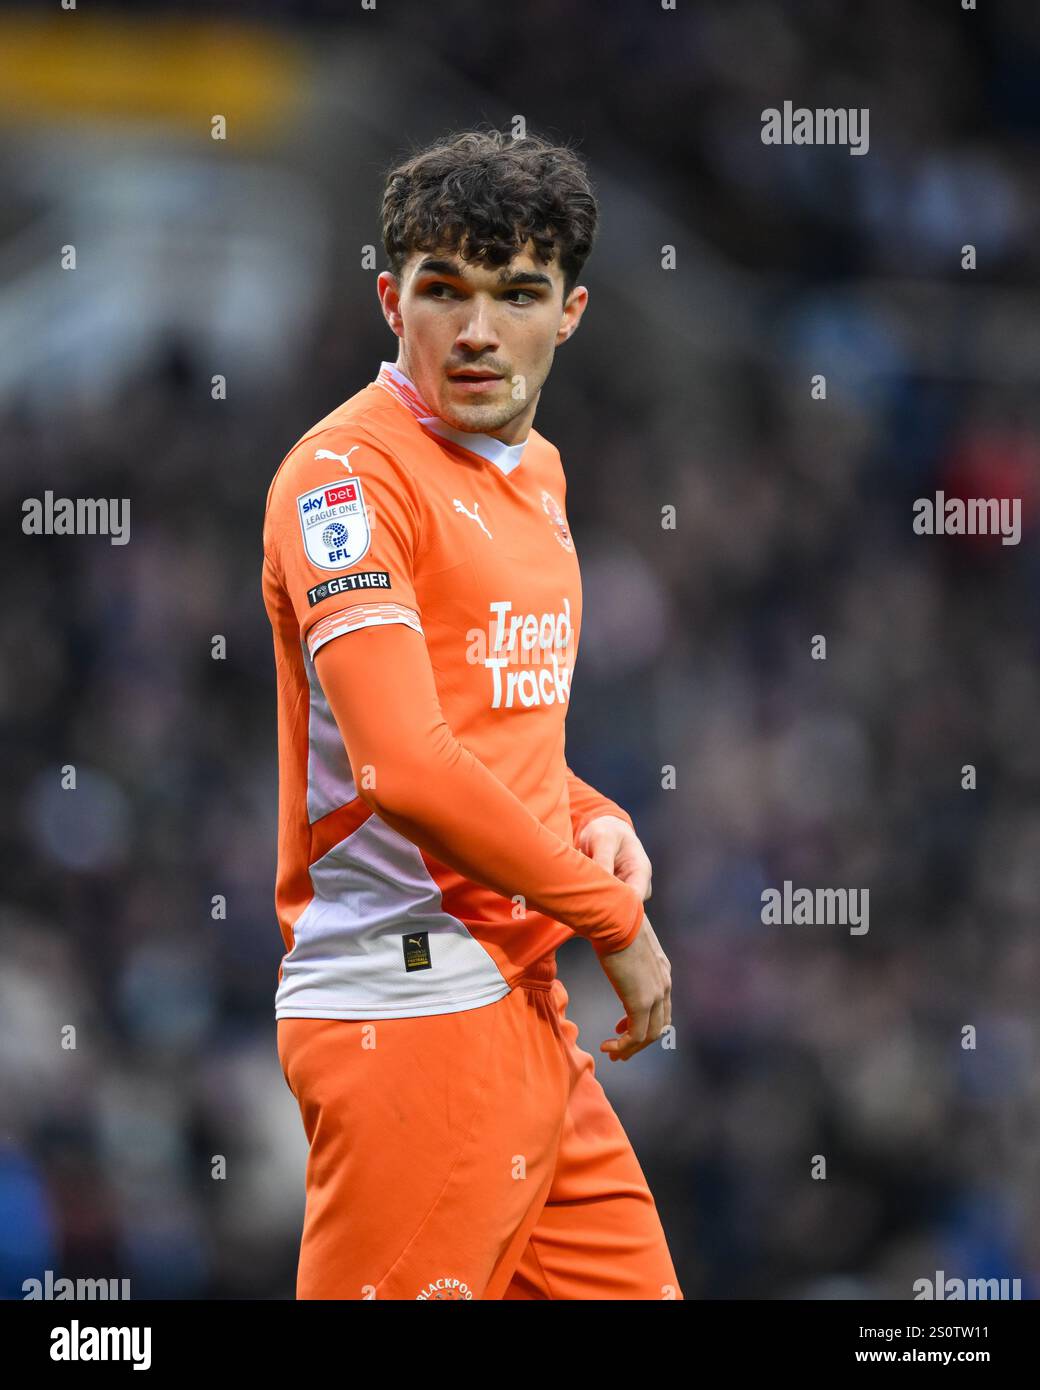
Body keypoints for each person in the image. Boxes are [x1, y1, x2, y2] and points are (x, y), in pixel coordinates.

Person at [262, 127, 681, 1300]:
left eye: (516, 293)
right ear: (390, 299)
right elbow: (402, 762)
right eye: (443, 292)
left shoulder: (532, 471)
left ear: (572, 311)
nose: (477, 331)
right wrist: (613, 918)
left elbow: (491, 726)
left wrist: (590, 813)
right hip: (410, 1003)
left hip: (520, 997)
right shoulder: (346, 480)